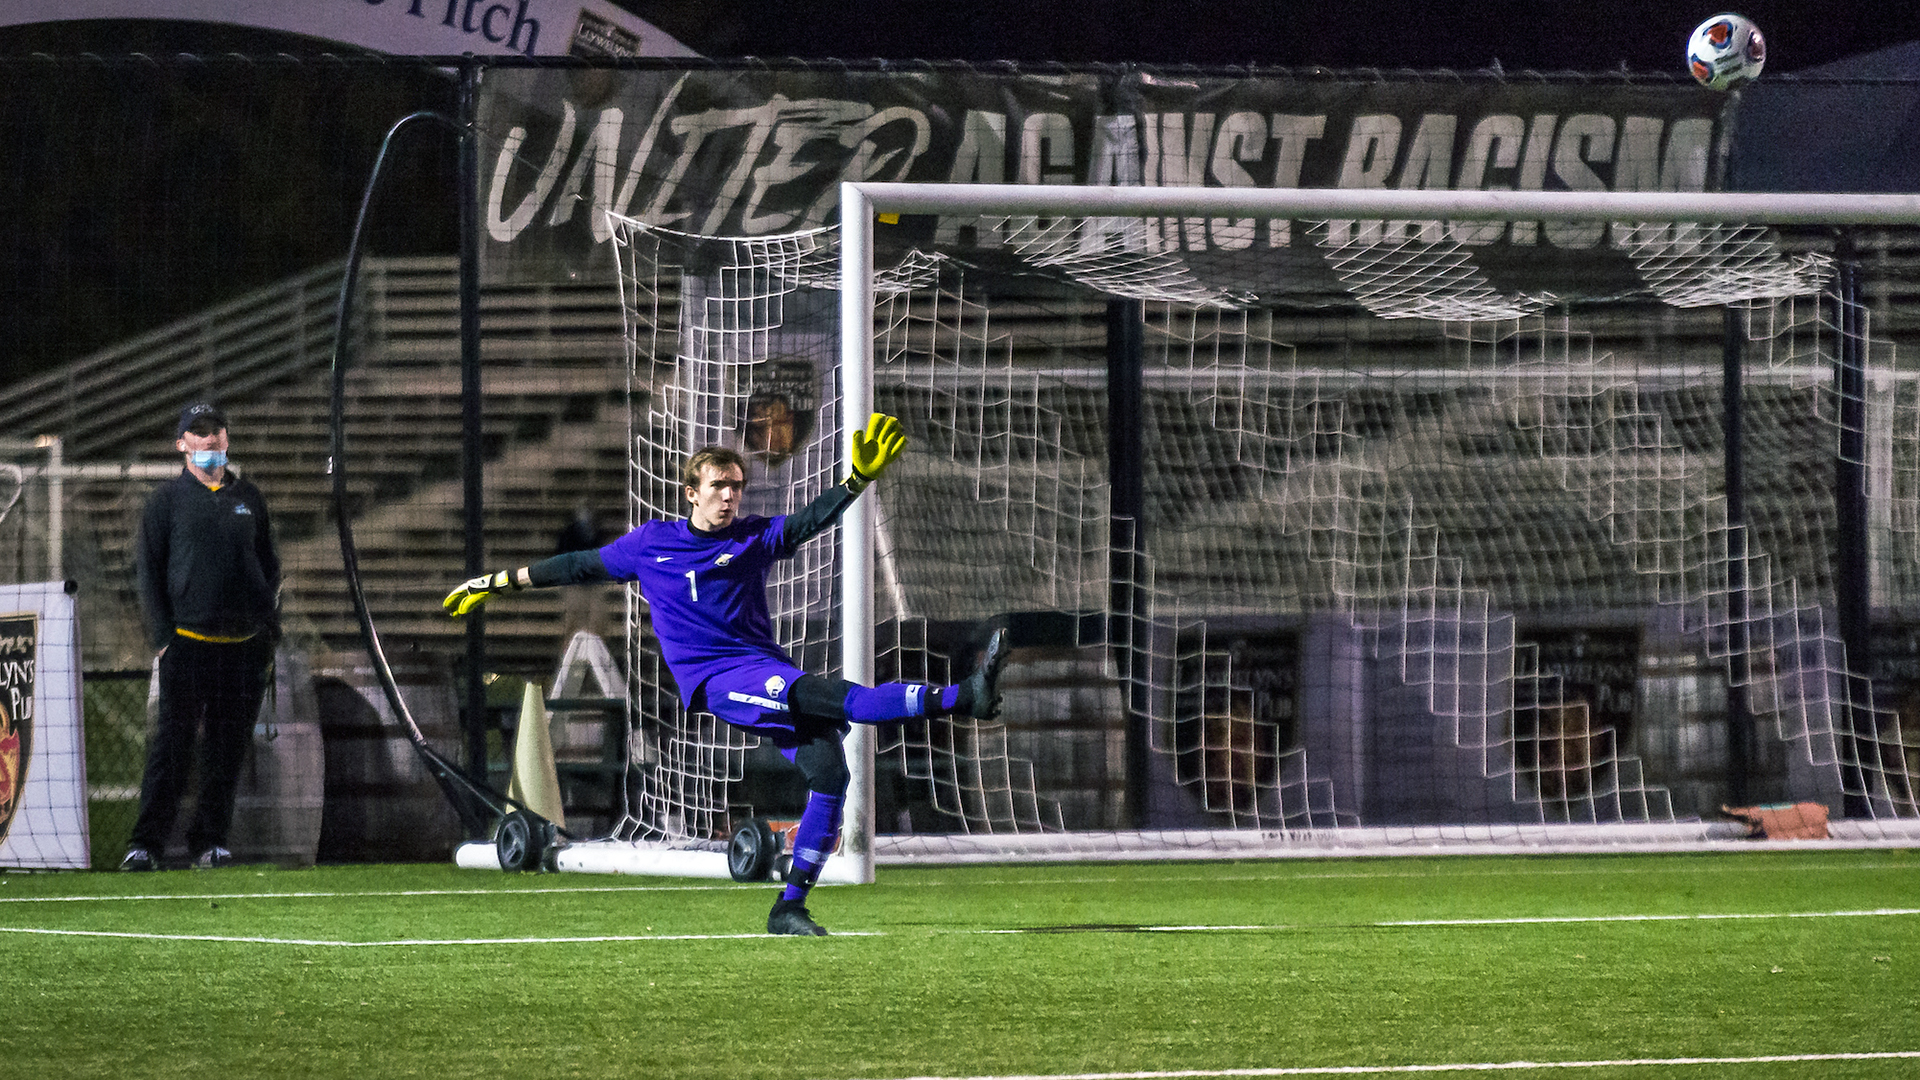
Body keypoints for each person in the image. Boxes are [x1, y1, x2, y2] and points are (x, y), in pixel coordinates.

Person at [443, 413, 1008, 936]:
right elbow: (578, 564)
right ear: (691, 492)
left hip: (764, 667)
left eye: (737, 486)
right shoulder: (651, 544)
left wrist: (854, 482)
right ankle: (965, 696)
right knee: (848, 702)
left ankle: (788, 908)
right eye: (719, 486)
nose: (730, 495)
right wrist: (494, 583)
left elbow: (807, 524)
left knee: (830, 777)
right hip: (716, 680)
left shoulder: (750, 538)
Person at [122, 403, 281, 871]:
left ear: (227, 439)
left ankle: (209, 843)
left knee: (226, 751)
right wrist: (163, 637)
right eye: (198, 433)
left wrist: (268, 630)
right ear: (181, 444)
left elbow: (269, 567)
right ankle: (145, 845)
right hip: (187, 645)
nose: (209, 441)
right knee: (171, 748)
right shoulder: (165, 501)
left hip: (242, 647)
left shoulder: (249, 497)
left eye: (216, 432)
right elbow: (148, 572)